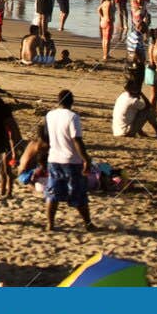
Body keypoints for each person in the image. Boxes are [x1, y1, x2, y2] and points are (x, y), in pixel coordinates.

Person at [44, 90, 96, 232]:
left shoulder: (50, 115)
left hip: (54, 159)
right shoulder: (73, 117)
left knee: (52, 193)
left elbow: (46, 135)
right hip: (71, 160)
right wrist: (86, 158)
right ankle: (88, 223)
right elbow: (77, 139)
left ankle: (50, 223)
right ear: (71, 101)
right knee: (78, 193)